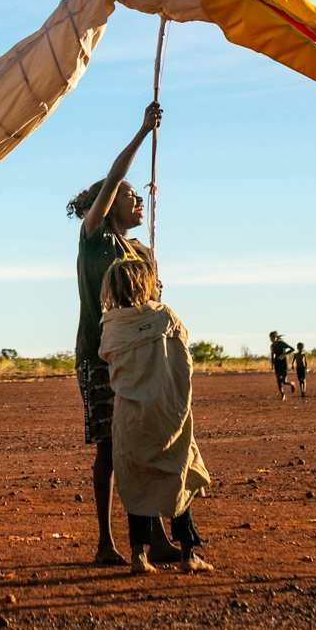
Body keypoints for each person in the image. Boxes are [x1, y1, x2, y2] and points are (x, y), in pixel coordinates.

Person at [73, 102, 212, 575]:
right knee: (112, 447)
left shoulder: (137, 251)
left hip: (140, 355)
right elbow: (113, 179)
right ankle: (105, 542)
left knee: (148, 436)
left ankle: (152, 537)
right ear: (108, 205)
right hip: (100, 356)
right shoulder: (94, 237)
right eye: (131, 199)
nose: (139, 203)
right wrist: (140, 133)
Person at [268, 332, 294, 399]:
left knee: (284, 381)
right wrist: (272, 364)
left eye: (273, 337)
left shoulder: (282, 343)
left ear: (276, 337)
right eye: (270, 338)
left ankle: (292, 384)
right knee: (278, 380)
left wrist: (284, 354)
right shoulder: (272, 345)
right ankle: (283, 395)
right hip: (277, 362)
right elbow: (272, 355)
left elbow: (292, 349)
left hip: (284, 362)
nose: (272, 339)